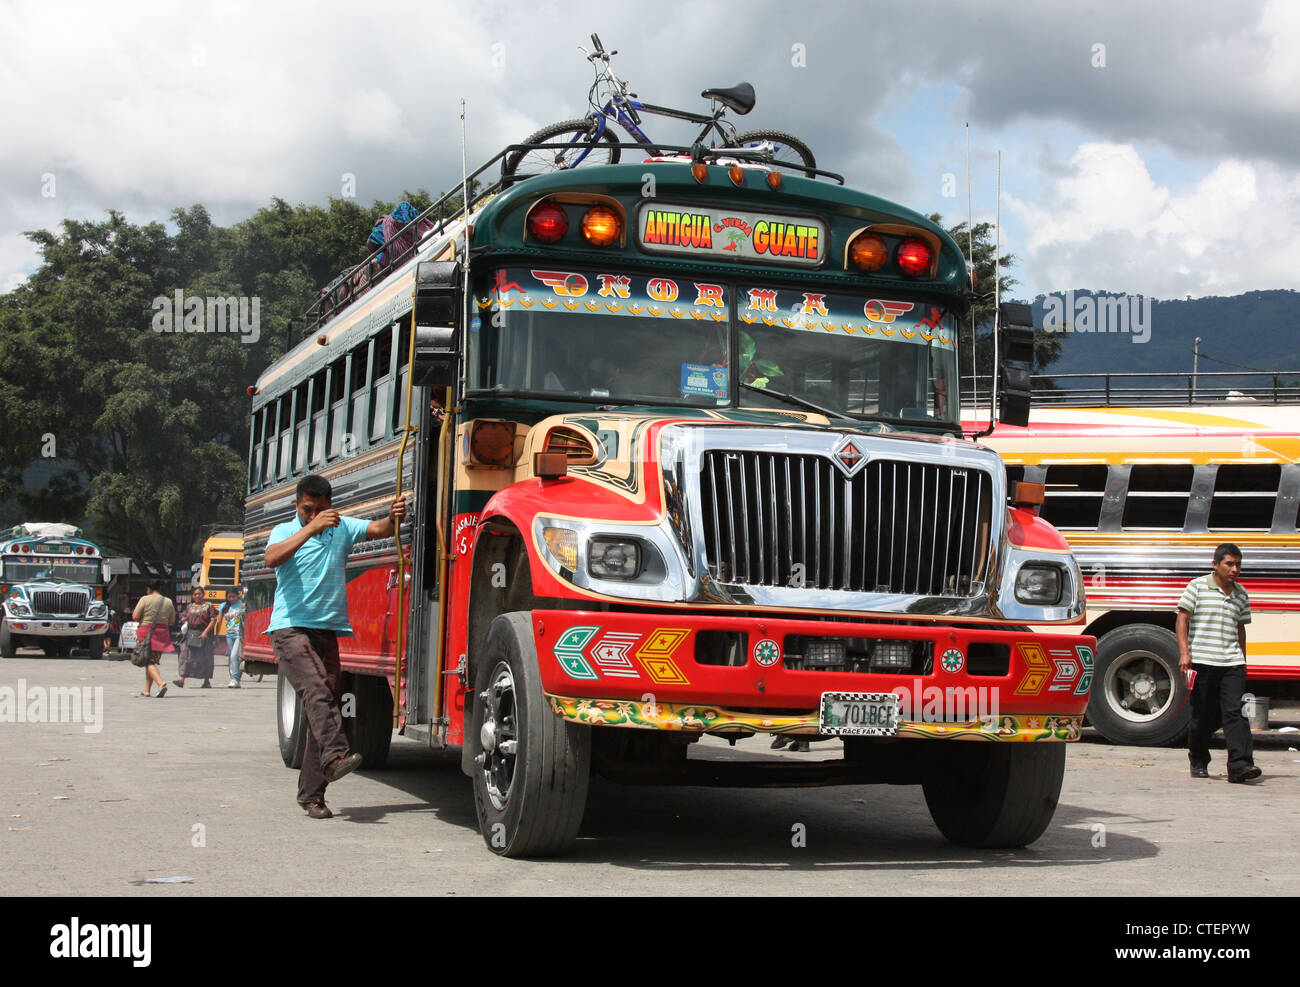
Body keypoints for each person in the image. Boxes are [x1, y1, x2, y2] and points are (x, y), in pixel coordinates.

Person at [265, 474, 407, 819]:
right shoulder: (285, 531)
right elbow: (271, 559)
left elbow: (378, 530)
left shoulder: (342, 527)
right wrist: (309, 530)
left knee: (324, 705)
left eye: (319, 510)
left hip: (326, 631)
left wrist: (394, 516)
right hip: (290, 628)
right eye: (306, 509)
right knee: (317, 693)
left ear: (331, 506)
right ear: (297, 505)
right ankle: (336, 754)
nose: (312, 515)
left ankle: (312, 795)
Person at [1177, 543, 1261, 783]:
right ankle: (1199, 759)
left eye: (1238, 564)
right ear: (1215, 565)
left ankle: (1240, 766)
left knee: (1235, 712)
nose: (1235, 569)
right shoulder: (1197, 587)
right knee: (1202, 715)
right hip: (1203, 660)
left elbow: (1240, 628)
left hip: (1232, 663)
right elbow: (1182, 620)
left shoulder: (1241, 594)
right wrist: (1185, 654)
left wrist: (1243, 660)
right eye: (1229, 564)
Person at [132, 581, 176, 698]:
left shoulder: (145, 599)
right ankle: (146, 690)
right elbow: (171, 621)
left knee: (147, 661)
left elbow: (135, 616)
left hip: (147, 633)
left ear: (149, 589)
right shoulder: (168, 601)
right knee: (150, 661)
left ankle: (161, 683)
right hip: (162, 634)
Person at [173, 586, 217, 689]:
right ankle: (182, 679)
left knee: (205, 657)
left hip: (204, 634)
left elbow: (213, 620)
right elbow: (185, 616)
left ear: (203, 594)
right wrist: (184, 620)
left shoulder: (208, 606)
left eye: (199, 594)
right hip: (190, 634)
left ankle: (206, 681)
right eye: (195, 594)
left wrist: (205, 632)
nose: (197, 596)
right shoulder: (190, 607)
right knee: (185, 656)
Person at [220, 588, 245, 688]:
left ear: (238, 595)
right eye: (229, 597)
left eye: (233, 596)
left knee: (234, 656)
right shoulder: (224, 606)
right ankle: (236, 679)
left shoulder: (242, 604)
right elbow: (218, 621)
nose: (231, 599)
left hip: (240, 634)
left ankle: (234, 679)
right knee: (233, 658)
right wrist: (216, 635)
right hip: (229, 635)